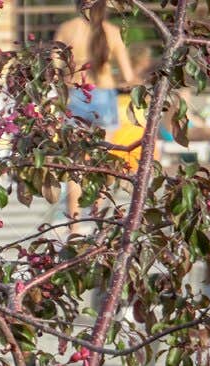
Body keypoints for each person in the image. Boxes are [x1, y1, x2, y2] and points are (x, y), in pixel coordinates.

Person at [56, 1, 136, 218]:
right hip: (104, 96)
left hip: (74, 96)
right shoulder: (111, 31)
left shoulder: (66, 29)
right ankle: (98, 219)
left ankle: (74, 226)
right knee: (102, 162)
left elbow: (54, 69)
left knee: (75, 165)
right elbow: (128, 77)